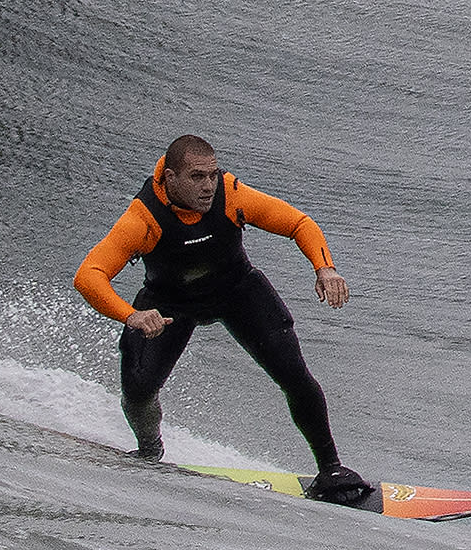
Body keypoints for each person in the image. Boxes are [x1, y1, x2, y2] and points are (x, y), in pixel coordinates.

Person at [73, 133, 371, 504]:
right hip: (169, 306)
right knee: (137, 393)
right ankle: (149, 450)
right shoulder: (143, 218)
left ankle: (331, 469)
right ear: (169, 178)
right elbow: (88, 275)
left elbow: (299, 223)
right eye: (197, 177)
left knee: (295, 376)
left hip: (237, 293)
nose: (208, 186)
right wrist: (131, 315)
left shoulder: (232, 195)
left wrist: (324, 268)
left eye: (212, 175)